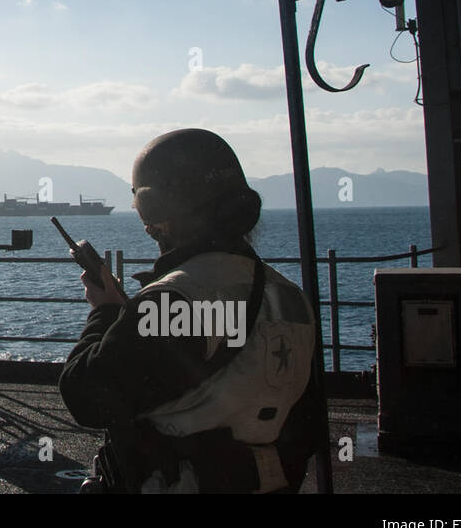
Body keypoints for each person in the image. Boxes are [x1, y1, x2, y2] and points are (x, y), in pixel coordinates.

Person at [58, 128, 324, 493]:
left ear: (154, 210)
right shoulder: (289, 296)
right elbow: (308, 425)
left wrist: (105, 313)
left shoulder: (176, 300)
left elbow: (85, 397)